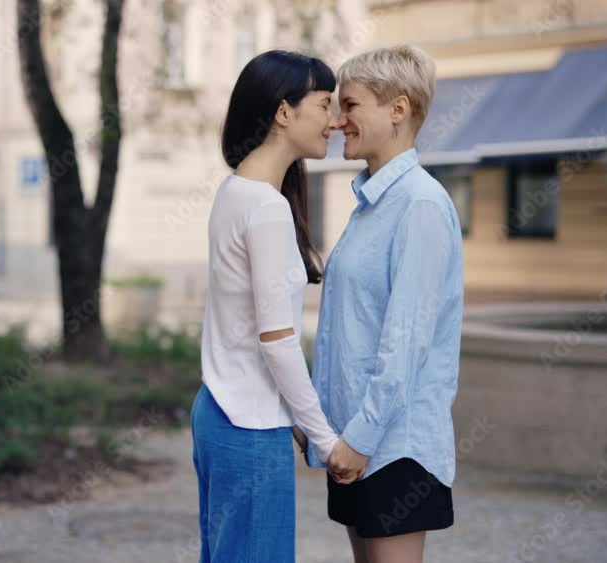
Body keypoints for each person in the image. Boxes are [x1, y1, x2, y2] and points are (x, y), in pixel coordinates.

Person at [191, 50, 366, 563]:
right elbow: (277, 341)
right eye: (324, 104)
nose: (334, 120)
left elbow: (241, 326)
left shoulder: (236, 191)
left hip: (220, 412)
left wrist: (292, 416)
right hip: (247, 427)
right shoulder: (265, 207)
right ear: (283, 112)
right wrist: (325, 439)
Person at [306, 45, 464, 563]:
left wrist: (359, 440)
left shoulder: (420, 204)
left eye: (350, 105)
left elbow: (406, 342)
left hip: (393, 450)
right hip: (355, 442)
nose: (337, 121)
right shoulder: (371, 204)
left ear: (398, 109)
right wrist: (324, 426)